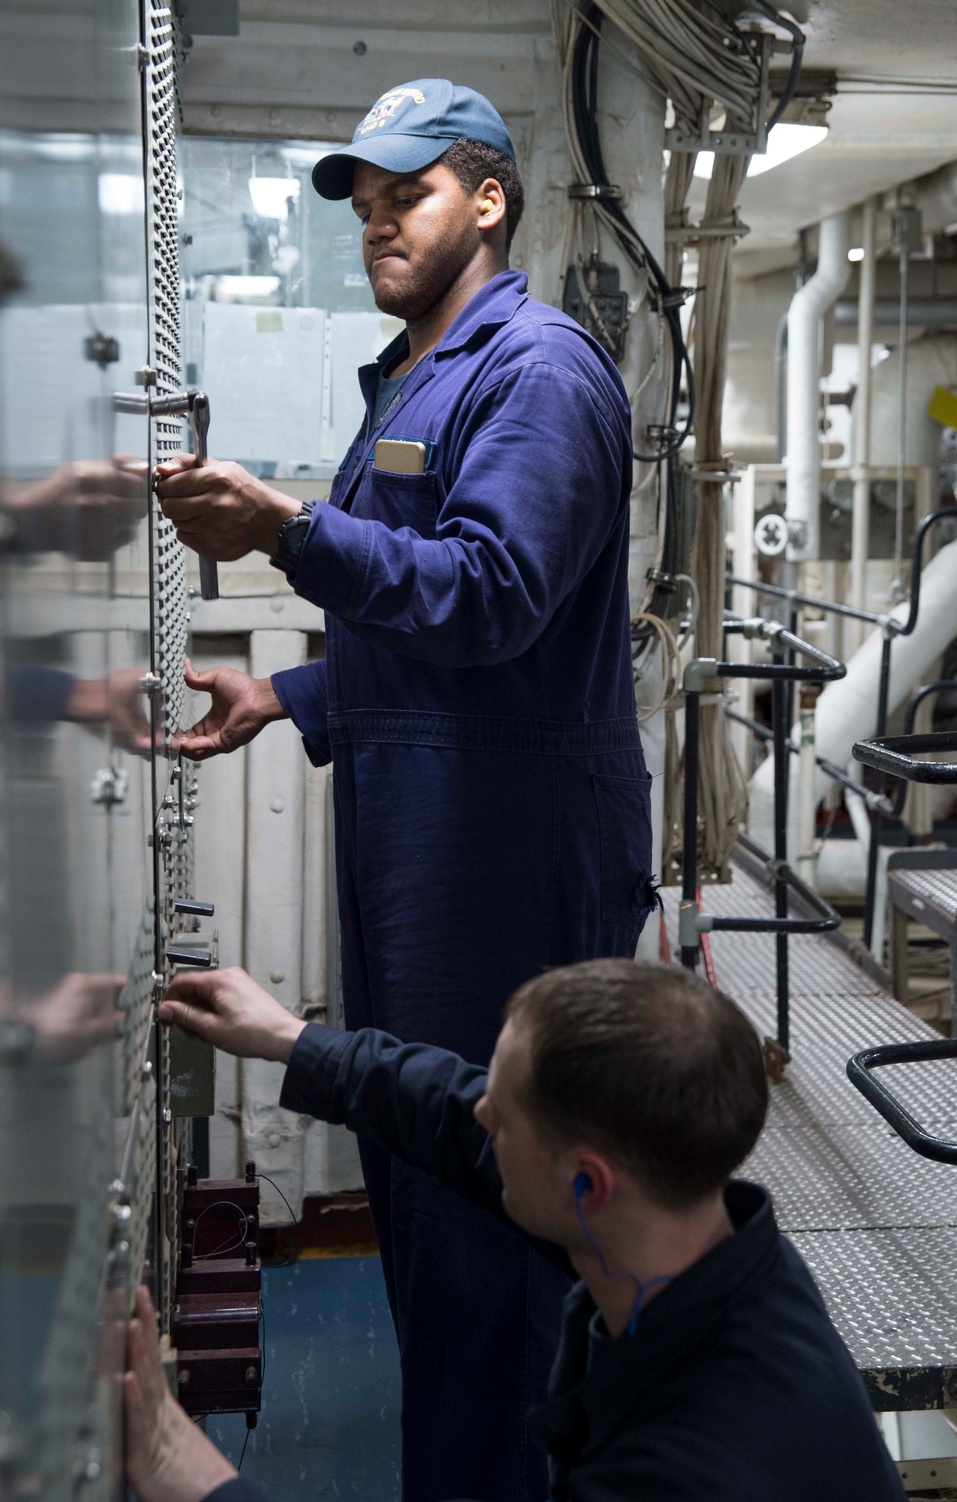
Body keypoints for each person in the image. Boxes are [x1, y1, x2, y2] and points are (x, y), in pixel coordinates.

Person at [154, 78, 655, 1502]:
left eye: (408, 194)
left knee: (496, 1216)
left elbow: (495, 597)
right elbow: (429, 634)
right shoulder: (419, 372)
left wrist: (292, 531)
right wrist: (292, 693)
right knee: (433, 1200)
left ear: (487, 200)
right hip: (423, 843)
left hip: (507, 862)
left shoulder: (535, 371)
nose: (378, 224)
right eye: (364, 206)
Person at [128, 958, 905, 1502]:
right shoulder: (691, 1234)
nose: (480, 1113)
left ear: (588, 1183)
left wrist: (194, 1477)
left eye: (503, 1114)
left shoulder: (687, 1466)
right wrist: (292, 1039)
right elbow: (453, 1109)